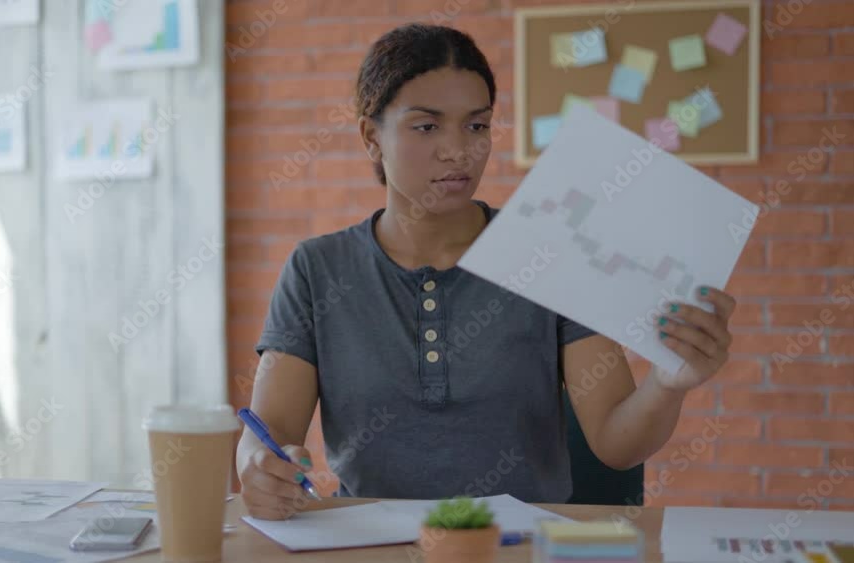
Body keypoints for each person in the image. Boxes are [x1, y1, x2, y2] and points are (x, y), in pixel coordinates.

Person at [235, 23, 737, 520]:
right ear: (371, 137)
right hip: (369, 544)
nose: (459, 150)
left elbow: (615, 444)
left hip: (519, 547)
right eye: (427, 126)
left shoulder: (548, 255)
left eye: (476, 125)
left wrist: (667, 385)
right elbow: (267, 436)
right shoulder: (317, 269)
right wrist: (258, 470)